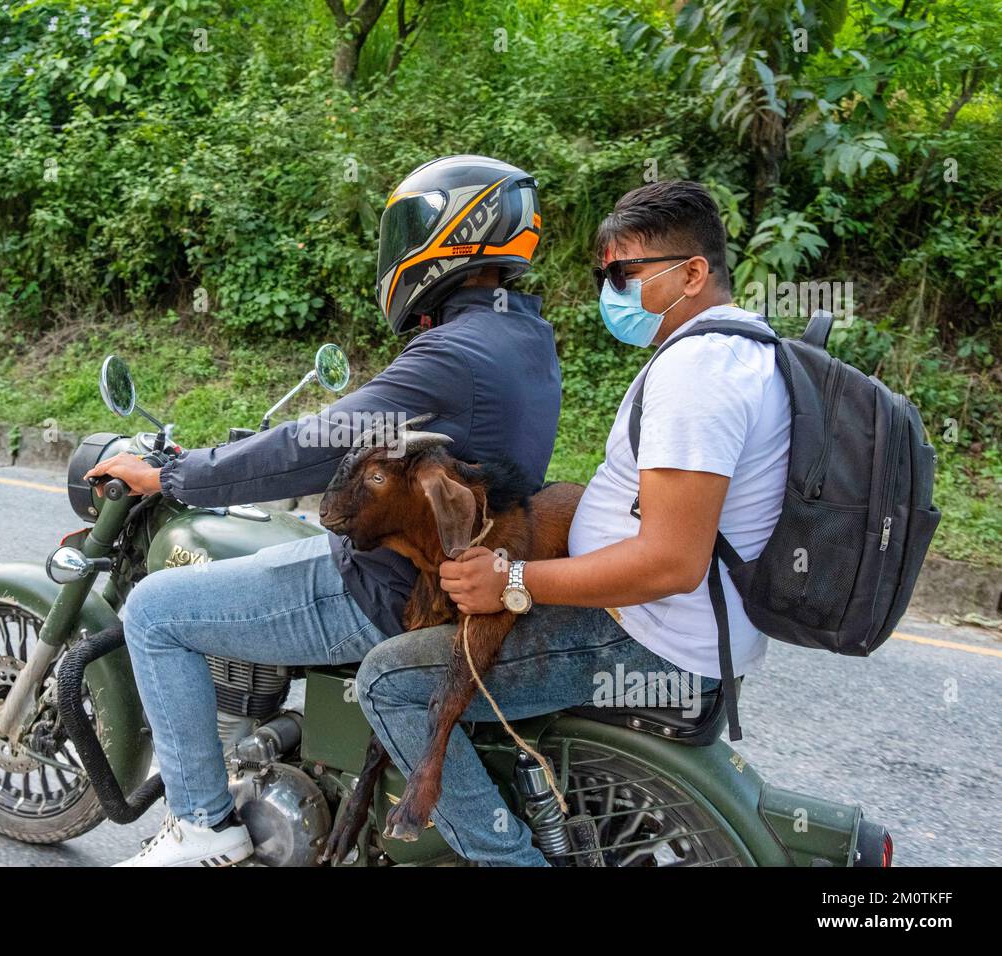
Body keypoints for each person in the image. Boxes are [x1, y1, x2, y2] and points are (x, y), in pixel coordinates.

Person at [86, 155, 561, 866]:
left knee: (154, 611)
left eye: (413, 225)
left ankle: (203, 827)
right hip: (446, 573)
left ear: (457, 235)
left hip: (387, 590)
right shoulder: (522, 337)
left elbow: (315, 444)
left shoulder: (456, 351)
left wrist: (172, 474)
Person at [356, 179, 791, 866]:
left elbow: (669, 562)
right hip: (684, 632)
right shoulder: (744, 346)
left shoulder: (697, 376)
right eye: (603, 275)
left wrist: (514, 579)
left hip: (644, 641)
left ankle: (507, 858)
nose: (610, 290)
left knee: (388, 681)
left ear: (693, 273)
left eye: (625, 274)